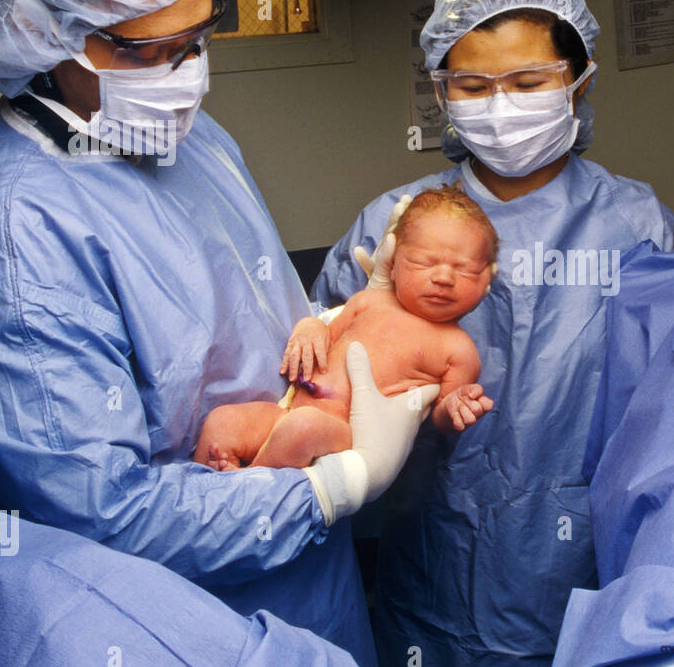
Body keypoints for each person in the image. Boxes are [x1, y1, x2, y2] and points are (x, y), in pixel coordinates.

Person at [0, 0, 435, 664]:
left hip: (305, 598)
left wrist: (348, 318)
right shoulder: (16, 234)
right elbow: (100, 519)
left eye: (199, 36)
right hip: (173, 643)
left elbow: (241, 326)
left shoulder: (183, 136)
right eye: (149, 50)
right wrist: (329, 487)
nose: (188, 73)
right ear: (49, 35)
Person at [313, 0, 674, 667]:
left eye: (527, 84)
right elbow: (315, 400)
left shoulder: (636, 226)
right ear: (441, 92)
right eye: (474, 86)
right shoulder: (393, 228)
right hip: (431, 570)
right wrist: (356, 322)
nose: (502, 106)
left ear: (579, 83)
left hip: (582, 572)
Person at [195, 185, 497, 470]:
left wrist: (455, 405)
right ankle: (213, 498)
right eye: (423, 262)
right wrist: (310, 327)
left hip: (343, 437)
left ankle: (251, 489)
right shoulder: (369, 301)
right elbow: (326, 336)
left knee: (302, 428)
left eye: (465, 269)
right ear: (392, 265)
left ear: (487, 280)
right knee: (221, 422)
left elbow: (440, 420)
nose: (444, 277)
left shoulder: (458, 349)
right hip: (289, 410)